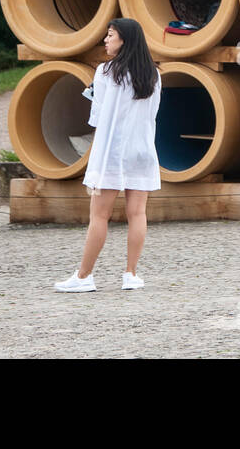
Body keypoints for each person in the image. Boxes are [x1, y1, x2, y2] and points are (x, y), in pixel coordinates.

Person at [56, 18, 161, 292]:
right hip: (142, 150)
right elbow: (152, 114)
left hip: (112, 152)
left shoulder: (105, 72)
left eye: (110, 35)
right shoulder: (154, 74)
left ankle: (83, 276)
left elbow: (97, 118)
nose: (105, 40)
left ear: (124, 39)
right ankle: (131, 274)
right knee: (137, 214)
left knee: (99, 216)